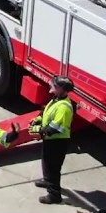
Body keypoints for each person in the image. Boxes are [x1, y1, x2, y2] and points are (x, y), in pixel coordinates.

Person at [31, 75, 76, 204]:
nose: (51, 85)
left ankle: (54, 195)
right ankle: (47, 180)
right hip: (51, 140)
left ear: (62, 89)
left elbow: (55, 128)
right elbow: (48, 113)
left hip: (57, 142)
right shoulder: (56, 99)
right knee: (46, 162)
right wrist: (38, 120)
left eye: (54, 85)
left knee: (53, 168)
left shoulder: (64, 107)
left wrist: (39, 131)